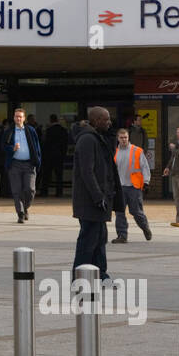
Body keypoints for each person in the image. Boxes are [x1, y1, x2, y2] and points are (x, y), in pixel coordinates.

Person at [71, 107, 115, 280]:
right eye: (106, 119)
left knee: (100, 238)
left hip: (99, 200)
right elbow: (87, 172)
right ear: (96, 121)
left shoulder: (97, 137)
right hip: (90, 201)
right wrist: (98, 197)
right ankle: (79, 277)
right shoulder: (87, 140)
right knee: (88, 241)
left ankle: (100, 273)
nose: (109, 122)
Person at [112, 127, 152, 243]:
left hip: (133, 187)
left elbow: (145, 167)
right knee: (119, 212)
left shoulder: (137, 151)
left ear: (128, 138)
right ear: (118, 138)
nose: (124, 139)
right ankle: (122, 235)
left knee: (136, 212)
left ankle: (145, 227)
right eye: (121, 137)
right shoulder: (114, 152)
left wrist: (146, 182)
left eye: (126, 137)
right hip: (120, 187)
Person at [5, 108, 41, 224]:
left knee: (30, 189)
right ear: (14, 118)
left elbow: (37, 147)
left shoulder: (31, 130)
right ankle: (20, 213)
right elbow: (3, 146)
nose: (18, 118)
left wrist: (38, 160)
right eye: (16, 116)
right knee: (17, 190)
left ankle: (25, 207)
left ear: (24, 118)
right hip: (15, 164)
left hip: (29, 164)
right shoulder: (9, 131)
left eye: (20, 116)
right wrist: (12, 149)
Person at [39, 114, 69, 197]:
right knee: (59, 175)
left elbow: (45, 143)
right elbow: (65, 144)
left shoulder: (48, 130)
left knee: (46, 174)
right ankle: (59, 192)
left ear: (50, 120)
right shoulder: (63, 130)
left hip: (49, 155)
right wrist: (63, 154)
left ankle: (44, 192)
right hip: (59, 155)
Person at [0, 119, 12, 197]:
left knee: (3, 176)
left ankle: (2, 192)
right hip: (5, 157)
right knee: (7, 175)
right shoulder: (8, 134)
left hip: (0, 157)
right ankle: (7, 192)